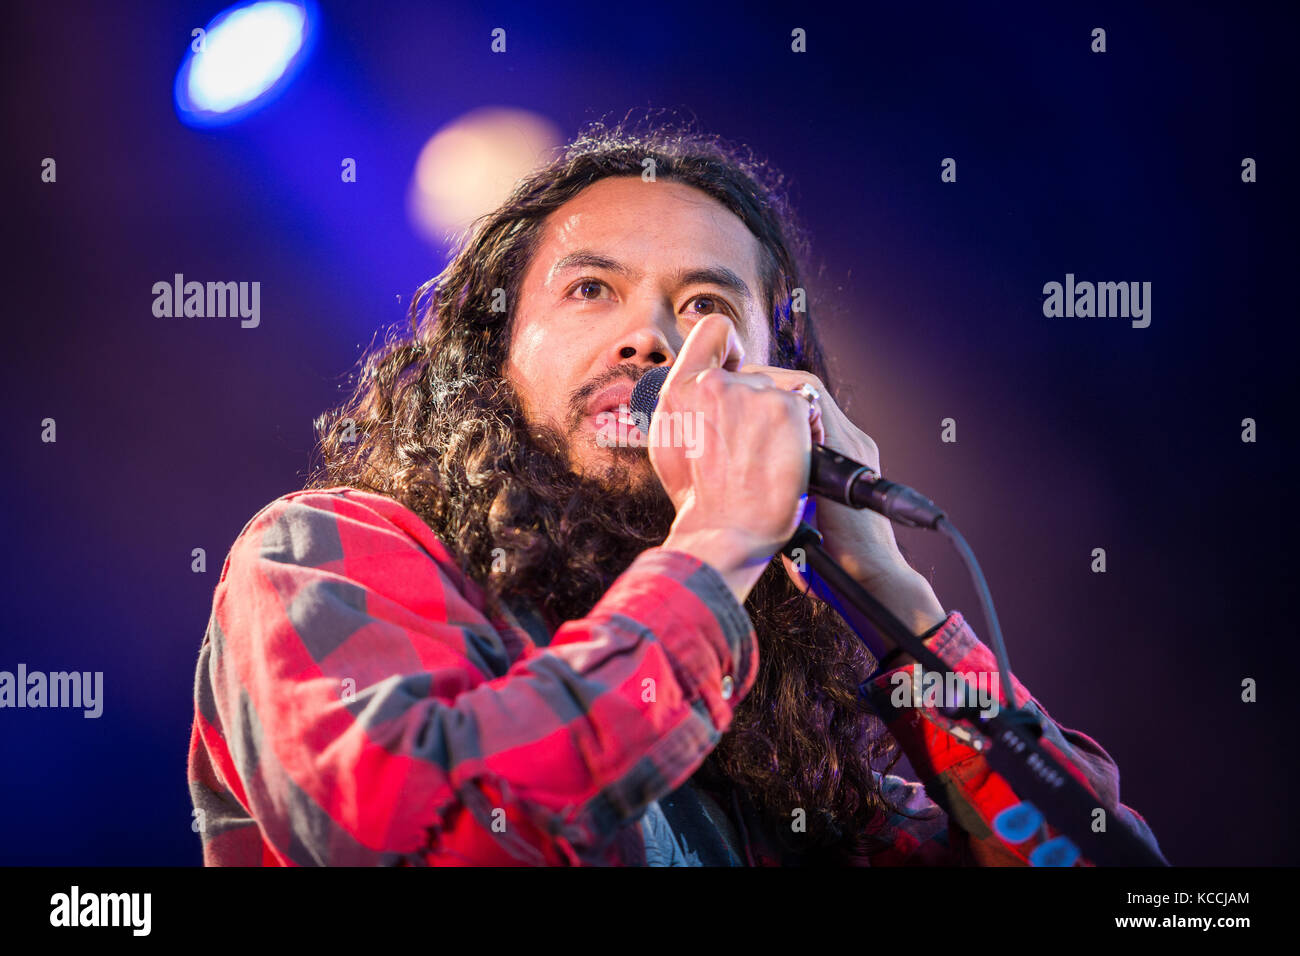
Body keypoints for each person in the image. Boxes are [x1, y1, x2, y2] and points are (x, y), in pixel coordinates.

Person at [186, 120, 1165, 866]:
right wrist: (720, 541)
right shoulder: (325, 551)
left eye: (706, 304)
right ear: (492, 353)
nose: (650, 339)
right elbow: (433, 834)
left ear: (779, 380)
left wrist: (890, 593)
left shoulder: (776, 744)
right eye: (590, 290)